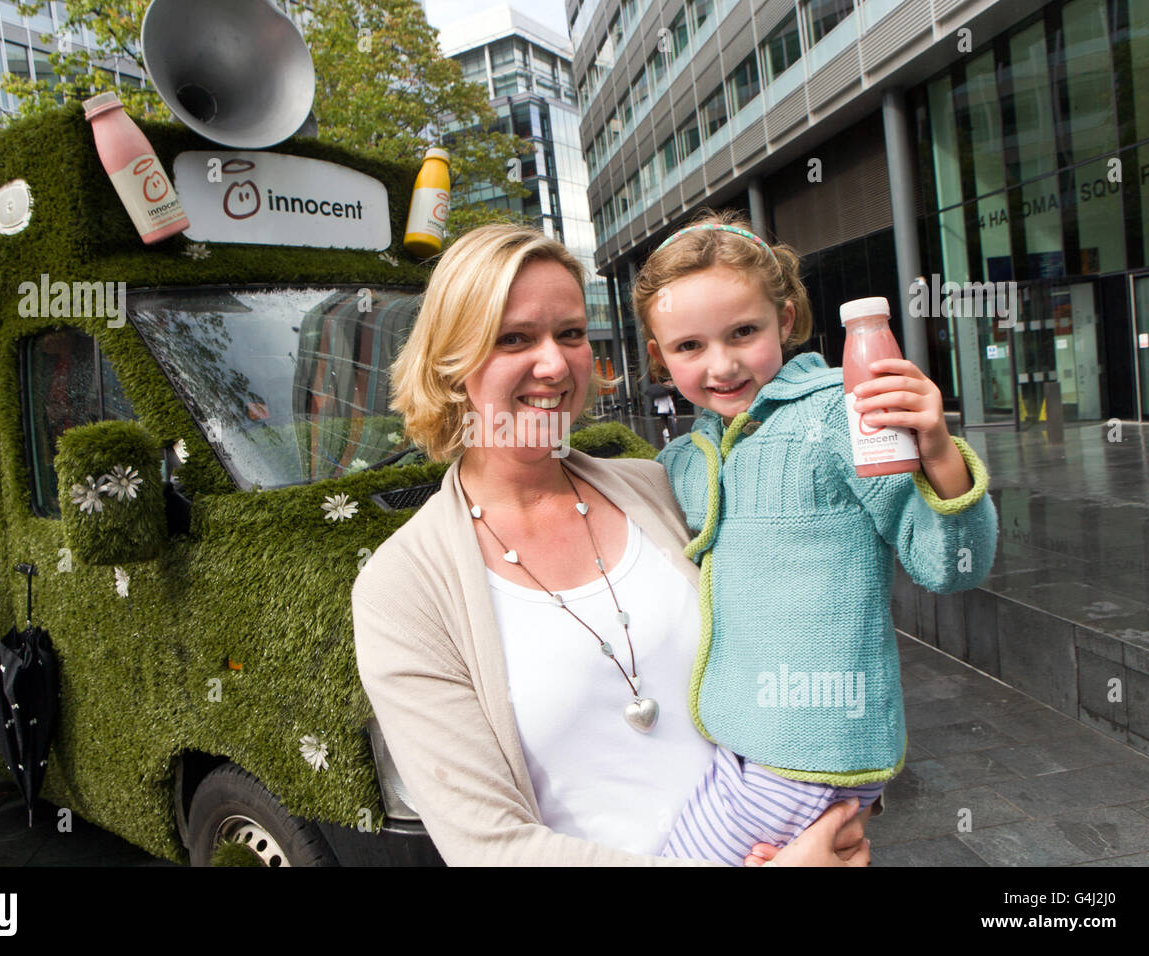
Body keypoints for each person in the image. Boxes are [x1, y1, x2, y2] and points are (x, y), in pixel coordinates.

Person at [351, 223, 876, 865]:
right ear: (451, 365)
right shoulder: (401, 589)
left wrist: (838, 808)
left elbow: (818, 621)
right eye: (514, 338)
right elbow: (490, 847)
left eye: (570, 333)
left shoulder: (659, 487)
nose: (553, 364)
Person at [633, 210, 999, 864]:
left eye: (744, 332)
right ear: (660, 357)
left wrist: (939, 450)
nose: (721, 364)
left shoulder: (841, 413)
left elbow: (951, 566)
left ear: (789, 319)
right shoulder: (686, 460)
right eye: (689, 346)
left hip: (813, 748)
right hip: (742, 741)